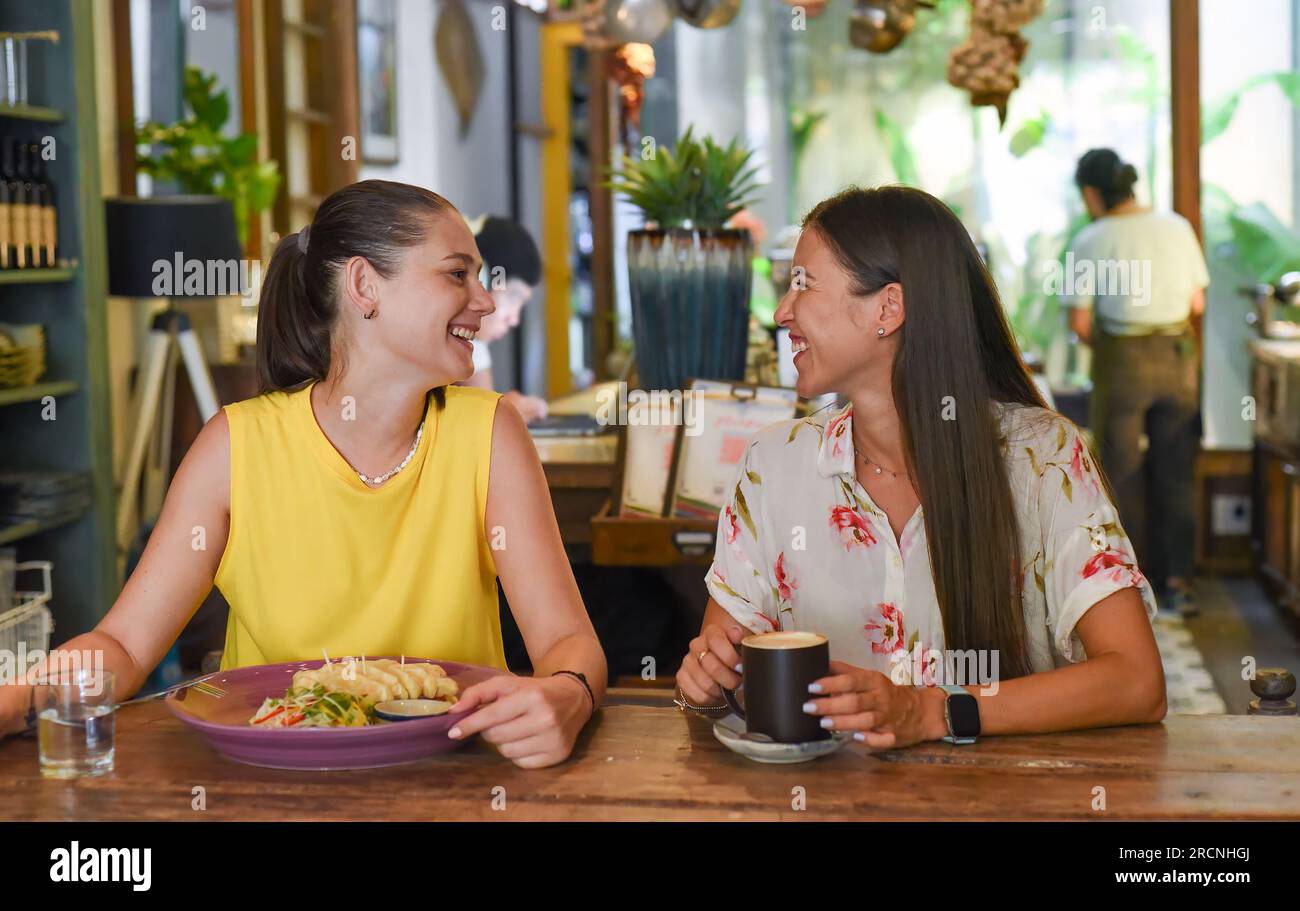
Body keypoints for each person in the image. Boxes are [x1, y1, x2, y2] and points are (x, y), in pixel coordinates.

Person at [0, 180, 607, 768]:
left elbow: (566, 644)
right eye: (456, 273)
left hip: (451, 778)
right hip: (266, 784)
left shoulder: (492, 433)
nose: (486, 300)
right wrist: (18, 701)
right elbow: (126, 647)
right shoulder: (236, 446)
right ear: (365, 285)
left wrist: (567, 697)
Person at [675, 185, 1165, 748]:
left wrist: (933, 712)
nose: (784, 312)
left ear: (888, 308)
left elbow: (1136, 681)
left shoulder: (1042, 458)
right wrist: (706, 685)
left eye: (802, 285)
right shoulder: (772, 466)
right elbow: (720, 668)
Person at [1066, 148, 1209, 617]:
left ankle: (1130, 586)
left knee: (1120, 473)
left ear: (1092, 193)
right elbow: (1197, 304)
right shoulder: (1177, 227)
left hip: (1123, 365)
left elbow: (1082, 323)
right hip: (1177, 362)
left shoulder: (1091, 238)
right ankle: (1180, 582)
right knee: (1176, 471)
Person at [462, 215, 549, 423]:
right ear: (481, 278)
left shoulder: (473, 341)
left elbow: (481, 412)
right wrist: (506, 413)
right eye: (513, 297)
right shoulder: (447, 335)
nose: (514, 319)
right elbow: (480, 424)